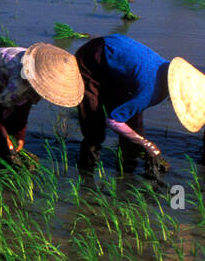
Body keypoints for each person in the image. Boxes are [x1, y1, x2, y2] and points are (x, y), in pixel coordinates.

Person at [0, 43, 82, 168]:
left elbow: (24, 106)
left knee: (10, 126)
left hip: (7, 80)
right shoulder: (21, 82)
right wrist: (6, 140)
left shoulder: (36, 78)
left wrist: (20, 135)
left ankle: (2, 157)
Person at [73, 34, 173, 176]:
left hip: (119, 62)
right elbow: (113, 121)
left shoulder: (166, 69)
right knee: (93, 117)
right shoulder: (151, 92)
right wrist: (146, 144)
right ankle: (86, 172)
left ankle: (128, 167)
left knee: (134, 122)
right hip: (94, 56)